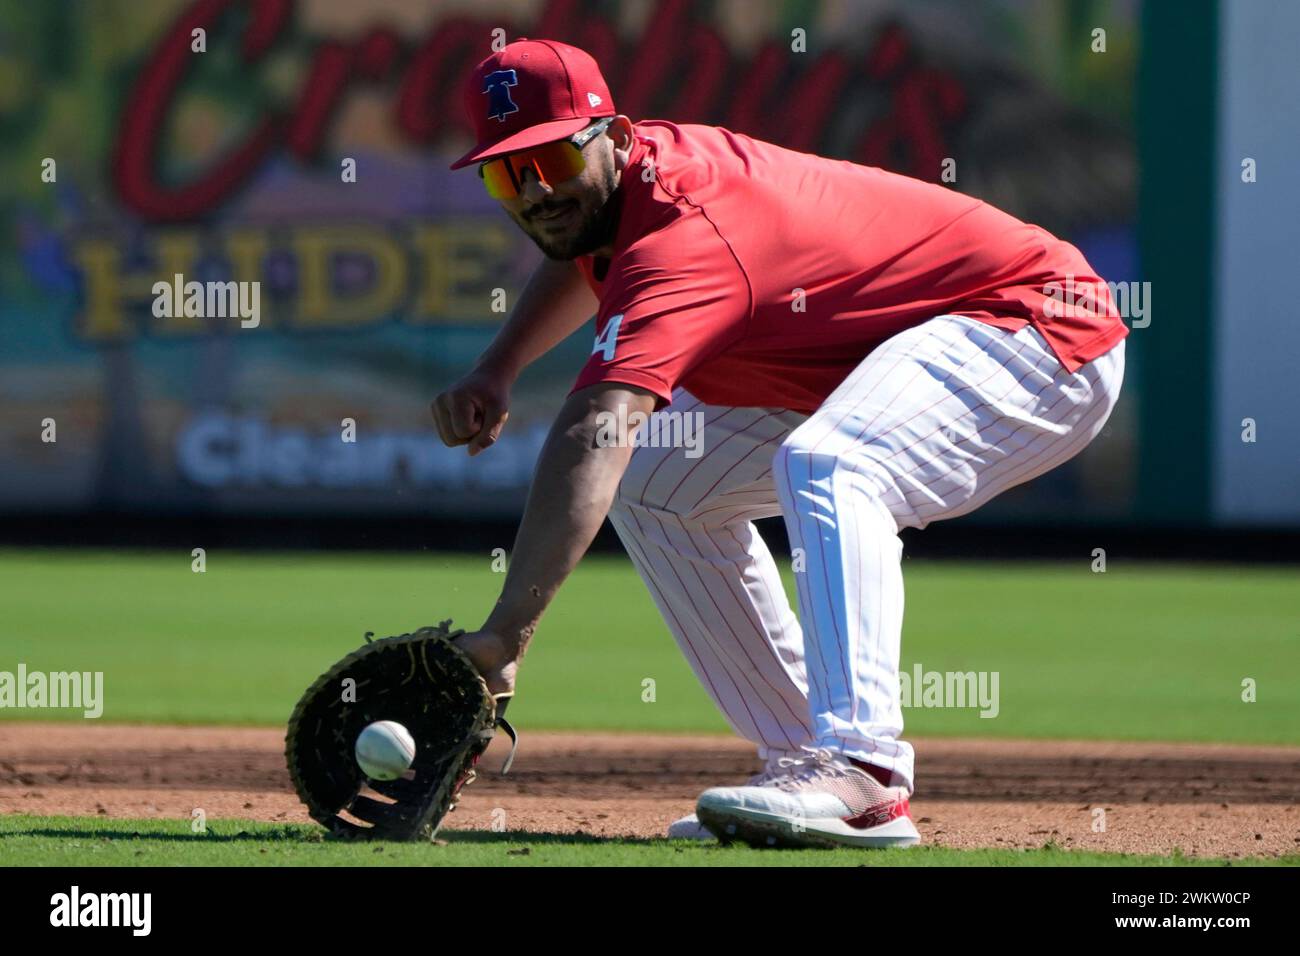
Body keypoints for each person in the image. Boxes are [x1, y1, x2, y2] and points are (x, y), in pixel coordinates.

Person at [433, 39, 1127, 848]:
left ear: (615, 136)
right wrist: (499, 366)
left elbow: (598, 426)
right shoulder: (620, 188)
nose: (536, 189)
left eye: (551, 157)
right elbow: (578, 246)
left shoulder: (685, 234)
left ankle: (863, 774)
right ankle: (803, 762)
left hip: (1036, 325)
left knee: (833, 462)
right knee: (661, 486)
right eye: (507, 172)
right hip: (881, 353)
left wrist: (508, 634)